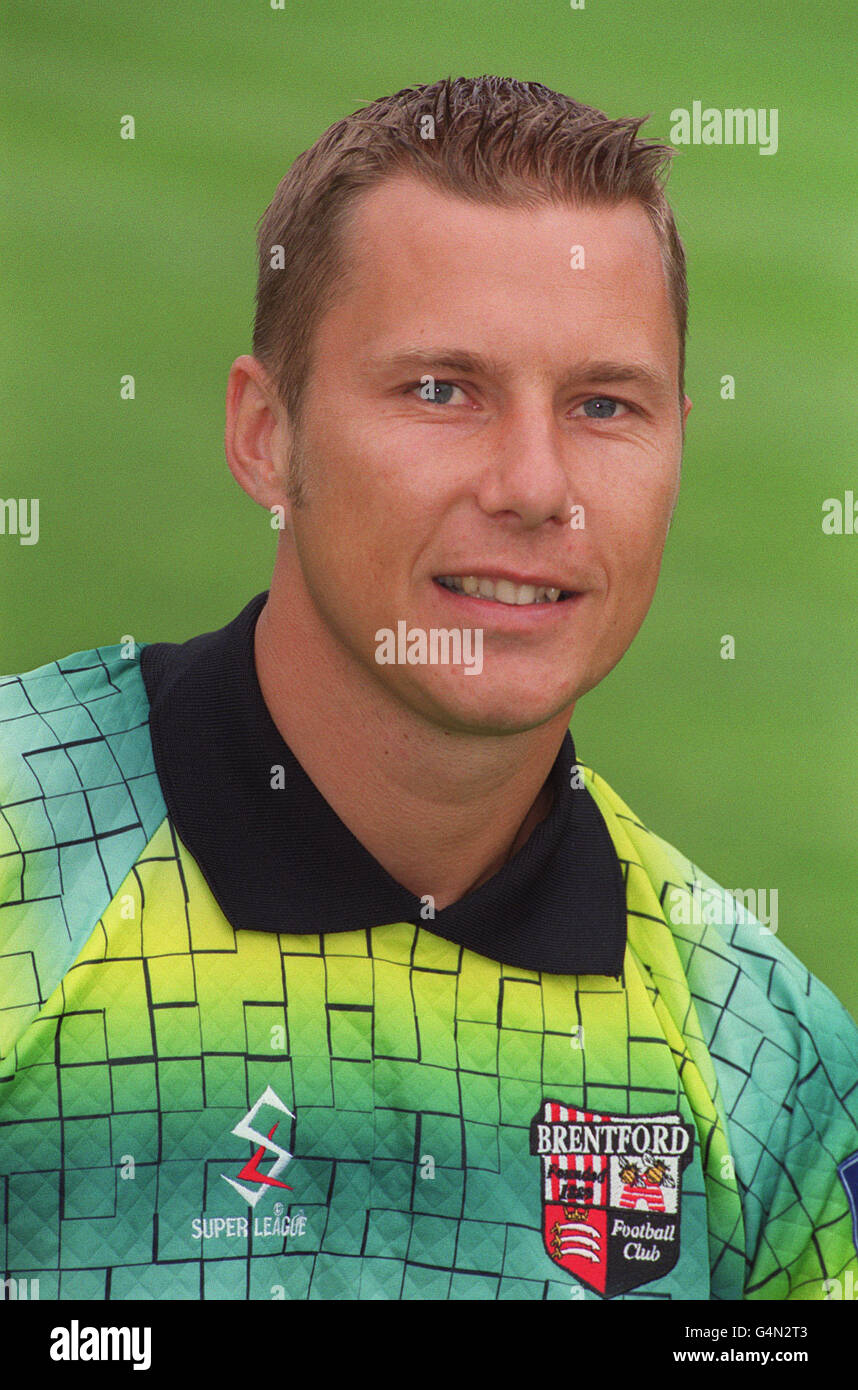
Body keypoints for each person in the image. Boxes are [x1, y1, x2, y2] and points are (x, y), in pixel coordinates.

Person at [1, 75, 856, 1303]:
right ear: (267, 435)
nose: (532, 483)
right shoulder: (23, 853)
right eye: (442, 390)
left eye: (603, 404)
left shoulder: (767, 1059)